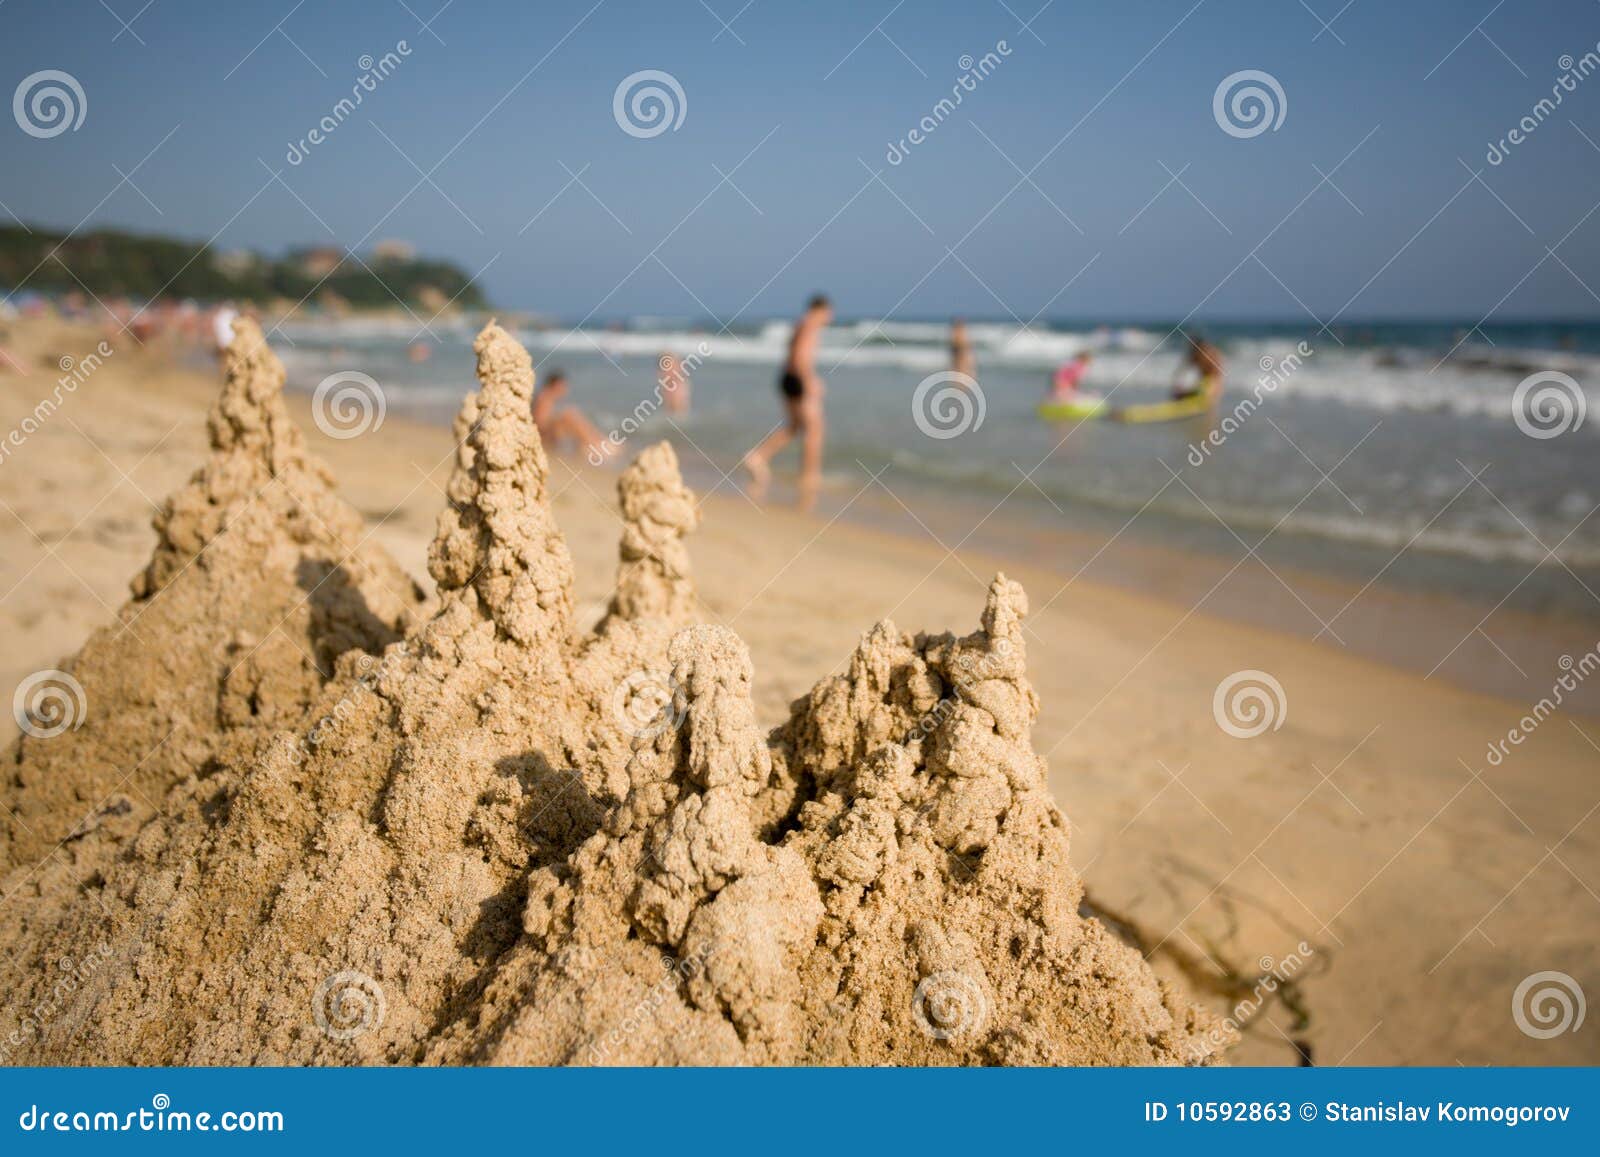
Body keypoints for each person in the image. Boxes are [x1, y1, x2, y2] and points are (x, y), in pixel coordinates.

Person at [742, 293, 833, 505]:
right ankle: (809, 477)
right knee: (814, 430)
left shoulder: (800, 325)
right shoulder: (810, 326)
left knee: (793, 427)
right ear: (821, 310)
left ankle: (758, 456)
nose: (830, 317)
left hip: (789, 378)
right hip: (798, 380)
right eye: (828, 312)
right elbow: (800, 357)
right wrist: (810, 381)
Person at [532, 370, 608, 458]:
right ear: (556, 385)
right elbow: (540, 424)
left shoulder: (546, 397)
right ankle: (595, 443)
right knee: (569, 414)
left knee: (570, 415)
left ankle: (593, 442)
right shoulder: (544, 397)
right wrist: (557, 421)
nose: (566, 388)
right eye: (563, 385)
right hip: (544, 437)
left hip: (545, 435)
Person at [1174, 331, 1224, 403]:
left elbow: (1217, 376)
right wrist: (1178, 385)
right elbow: (1183, 369)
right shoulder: (1195, 354)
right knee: (1181, 394)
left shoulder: (1210, 353)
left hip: (1213, 381)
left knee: (1207, 396)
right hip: (1203, 382)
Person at [950, 317, 976, 382]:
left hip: (961, 352)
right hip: (959, 352)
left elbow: (961, 344)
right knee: (960, 371)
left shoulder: (959, 331)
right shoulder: (957, 331)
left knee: (961, 370)